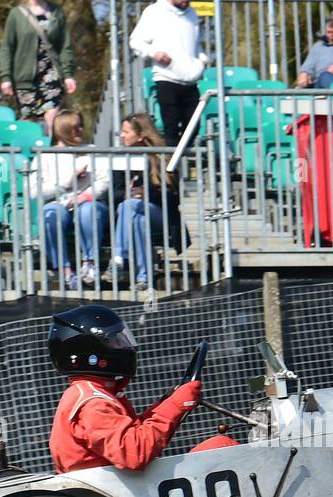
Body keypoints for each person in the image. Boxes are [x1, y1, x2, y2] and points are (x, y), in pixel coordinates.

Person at [48, 305, 202, 473]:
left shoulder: (89, 391)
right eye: (115, 340)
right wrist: (176, 406)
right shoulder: (94, 403)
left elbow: (133, 434)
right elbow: (134, 454)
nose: (124, 346)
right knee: (221, 445)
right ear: (92, 350)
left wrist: (167, 404)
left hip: (117, 485)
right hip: (109, 492)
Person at [81, 112, 185, 294]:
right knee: (133, 213)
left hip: (159, 212)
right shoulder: (121, 158)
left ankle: (119, 258)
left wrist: (148, 194)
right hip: (131, 212)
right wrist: (128, 193)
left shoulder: (162, 156)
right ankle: (144, 277)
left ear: (141, 135)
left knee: (132, 208)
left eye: (126, 132)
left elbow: (173, 197)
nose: (122, 136)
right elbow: (111, 194)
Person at [128, 0, 207, 146]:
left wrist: (201, 59)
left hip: (190, 82)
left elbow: (196, 45)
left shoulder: (193, 14)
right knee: (171, 126)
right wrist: (154, 53)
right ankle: (171, 166)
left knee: (193, 127)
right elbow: (136, 41)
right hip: (166, 79)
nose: (187, 2)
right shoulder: (154, 12)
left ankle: (180, 160)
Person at [35, 109, 93, 289]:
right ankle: (66, 272)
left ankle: (89, 264)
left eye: (81, 127)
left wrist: (83, 196)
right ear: (65, 129)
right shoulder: (45, 156)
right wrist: (66, 184)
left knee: (89, 210)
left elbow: (103, 180)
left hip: (87, 202)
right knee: (50, 215)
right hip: (58, 204)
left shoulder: (91, 151)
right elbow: (34, 191)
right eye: (77, 127)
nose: (81, 131)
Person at [0, 0, 76, 133]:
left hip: (51, 73)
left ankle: (50, 151)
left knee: (52, 117)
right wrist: (6, 77)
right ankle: (27, 152)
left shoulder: (56, 12)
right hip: (25, 76)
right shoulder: (16, 14)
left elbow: (65, 46)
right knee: (29, 120)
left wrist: (68, 75)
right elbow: (7, 48)